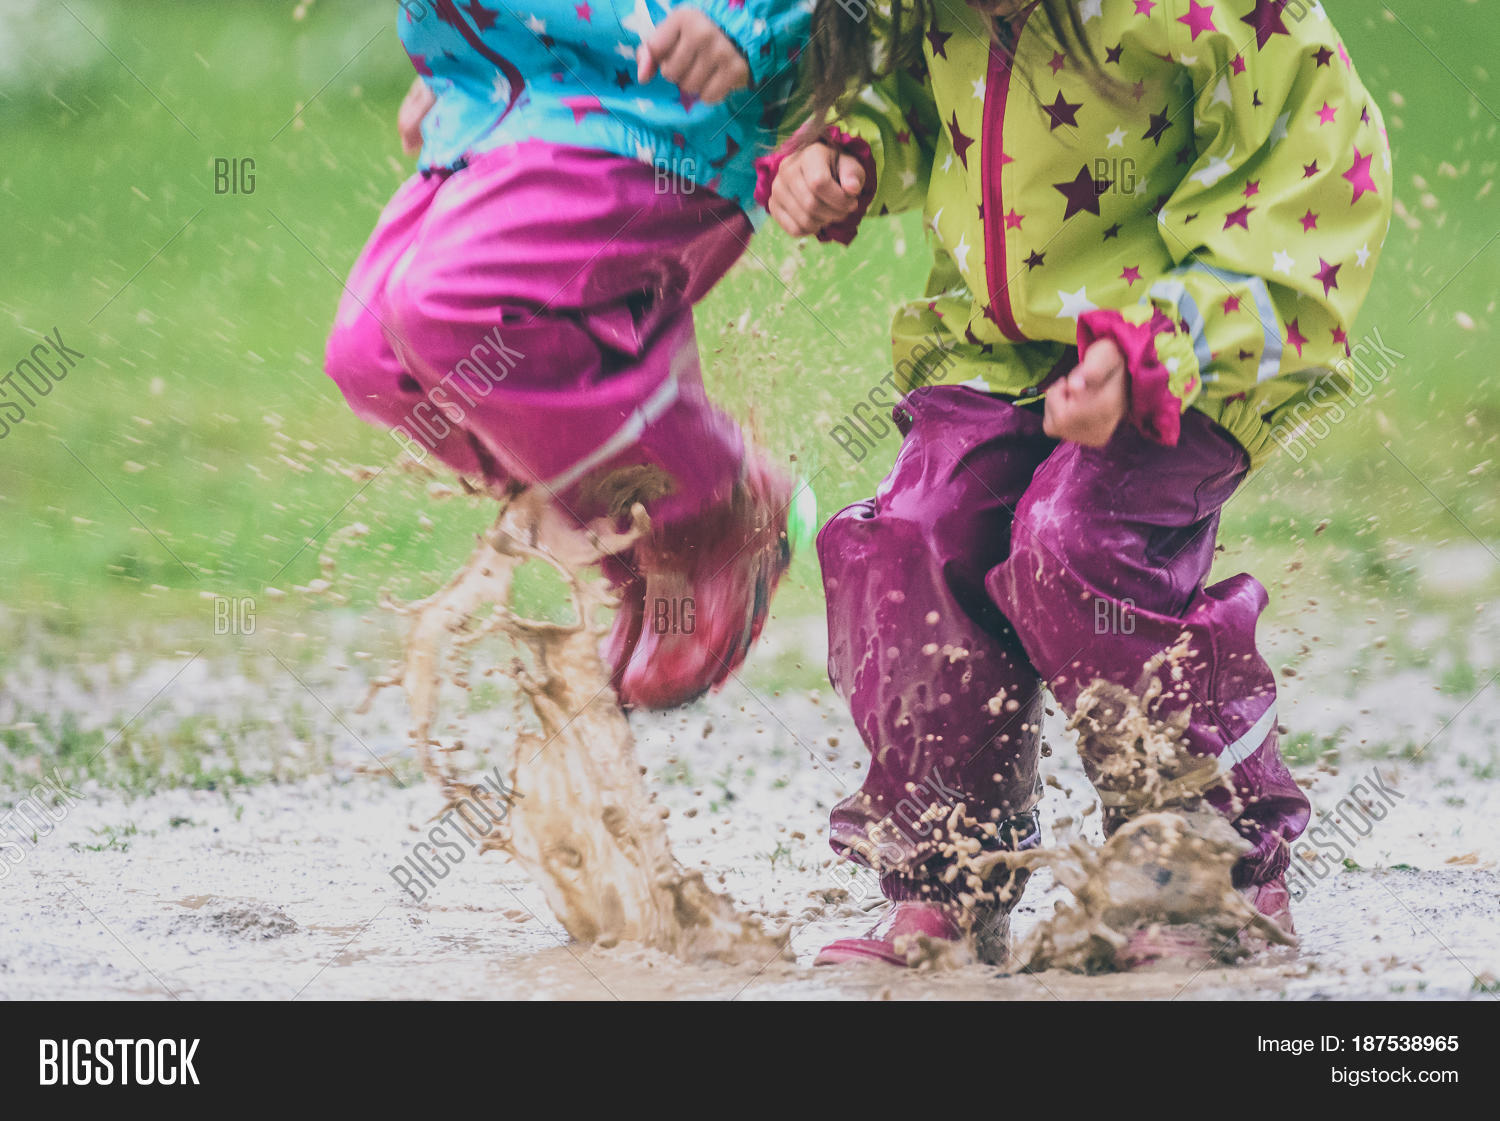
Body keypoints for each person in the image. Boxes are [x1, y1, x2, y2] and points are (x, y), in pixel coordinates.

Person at [760, 0, 1393, 965]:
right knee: (911, 540)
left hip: (1190, 347)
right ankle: (953, 873)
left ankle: (1206, 862)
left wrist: (1161, 347)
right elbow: (914, 94)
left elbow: (1307, 183)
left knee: (1073, 538)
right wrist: (849, 150)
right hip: (1001, 351)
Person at [326, 0, 811, 708]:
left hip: (653, 111)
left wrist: (748, 23)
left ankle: (716, 504)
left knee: (444, 306)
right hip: (503, 102)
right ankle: (641, 541)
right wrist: (464, 49)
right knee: (371, 358)